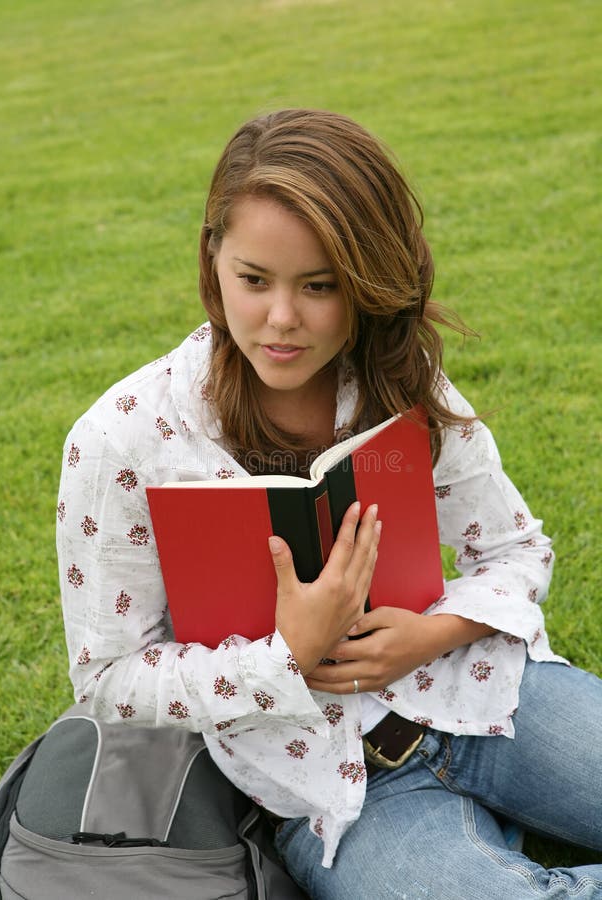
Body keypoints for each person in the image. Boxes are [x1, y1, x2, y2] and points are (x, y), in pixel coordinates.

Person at [56, 109, 602, 898]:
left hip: (489, 697)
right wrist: (284, 657)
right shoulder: (121, 439)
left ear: (369, 280)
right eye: (254, 280)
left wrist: (432, 633)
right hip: (337, 796)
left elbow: (517, 549)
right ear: (213, 263)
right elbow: (108, 679)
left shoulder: (397, 384)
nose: (282, 320)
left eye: (320, 287)